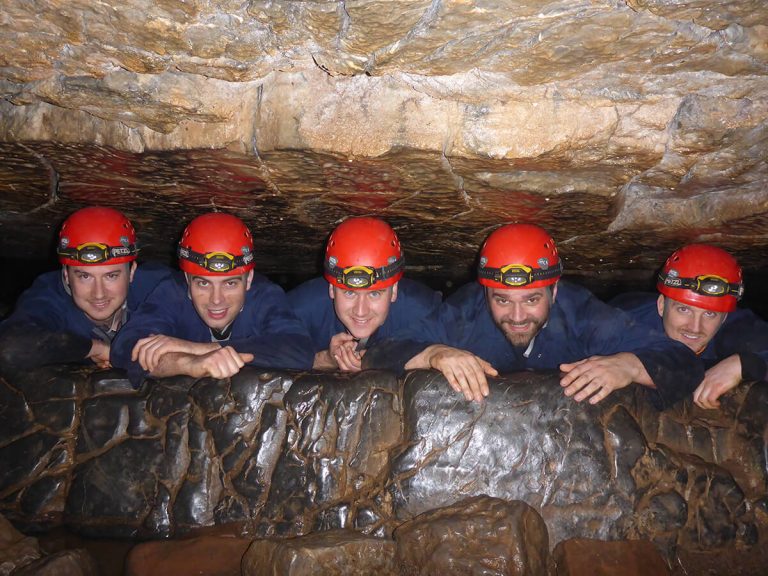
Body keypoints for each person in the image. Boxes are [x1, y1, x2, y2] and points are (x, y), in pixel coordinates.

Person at [363, 223, 703, 409]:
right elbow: (380, 350)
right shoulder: (465, 311)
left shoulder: (582, 314)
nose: (517, 315)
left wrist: (628, 365)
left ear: (554, 292)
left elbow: (684, 362)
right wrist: (435, 353)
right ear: (486, 294)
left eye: (531, 300)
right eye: (502, 300)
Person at [110, 212, 314, 387]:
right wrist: (188, 364)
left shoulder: (264, 295)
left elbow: (298, 349)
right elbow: (126, 348)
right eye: (203, 284)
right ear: (187, 281)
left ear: (249, 279)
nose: (216, 300)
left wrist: (195, 348)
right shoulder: (171, 293)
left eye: (230, 284)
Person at [0, 206, 170, 371]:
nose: (99, 293)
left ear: (132, 271)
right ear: (66, 274)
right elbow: (9, 348)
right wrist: (97, 348)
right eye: (85, 276)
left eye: (111, 276)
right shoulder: (49, 296)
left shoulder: (158, 285)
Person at [612, 244, 768, 409]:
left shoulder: (738, 328)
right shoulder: (625, 319)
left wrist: (745, 364)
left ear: (724, 318)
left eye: (709, 314)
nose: (695, 327)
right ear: (661, 305)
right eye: (684, 309)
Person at [287, 217, 441, 371]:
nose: (361, 311)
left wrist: (387, 360)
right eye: (349, 293)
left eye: (374, 294)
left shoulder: (424, 313)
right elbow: (265, 353)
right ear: (332, 289)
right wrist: (325, 359)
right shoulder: (297, 310)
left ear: (394, 291)